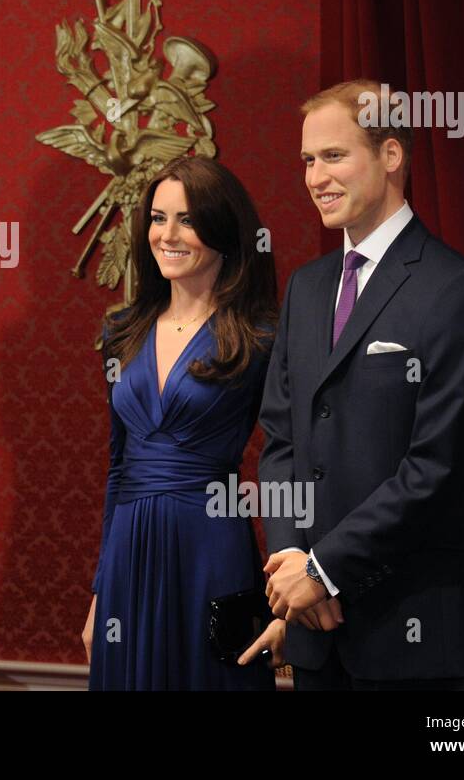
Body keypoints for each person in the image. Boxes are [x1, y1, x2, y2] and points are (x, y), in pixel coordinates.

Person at [240, 79, 464, 689]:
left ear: (391, 155)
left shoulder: (457, 291)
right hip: (313, 631)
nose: (314, 177)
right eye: (307, 160)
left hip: (411, 626)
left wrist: (326, 569)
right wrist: (292, 565)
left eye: (333, 156)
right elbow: (279, 442)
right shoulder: (305, 288)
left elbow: (433, 470)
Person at [84, 155, 282, 689]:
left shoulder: (262, 337)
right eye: (157, 217)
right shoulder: (121, 331)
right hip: (128, 553)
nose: (167, 234)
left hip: (211, 550)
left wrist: (289, 596)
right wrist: (102, 587)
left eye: (187, 220)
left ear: (223, 228)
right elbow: (118, 466)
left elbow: (295, 456)